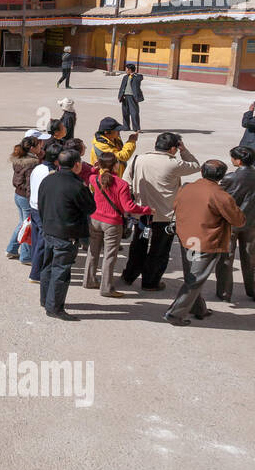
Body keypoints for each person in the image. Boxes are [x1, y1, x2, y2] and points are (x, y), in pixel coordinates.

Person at [165, 160, 245, 325]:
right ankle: (175, 314)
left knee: (191, 275)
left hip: (187, 237)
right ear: (222, 176)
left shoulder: (186, 188)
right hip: (206, 242)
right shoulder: (220, 195)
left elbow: (176, 206)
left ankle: (198, 308)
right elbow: (238, 220)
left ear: (202, 171)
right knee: (195, 279)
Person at [120, 131, 201, 292]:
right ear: (173, 148)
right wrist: (184, 150)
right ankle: (150, 282)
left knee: (138, 245)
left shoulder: (137, 159)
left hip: (142, 212)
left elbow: (125, 183)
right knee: (159, 249)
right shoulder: (174, 164)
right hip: (165, 215)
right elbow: (196, 166)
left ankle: (129, 276)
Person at [37, 149, 97, 320]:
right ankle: (54, 307)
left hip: (49, 229)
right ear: (76, 164)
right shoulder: (76, 186)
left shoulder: (48, 180)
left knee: (48, 267)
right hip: (66, 235)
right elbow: (90, 208)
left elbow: (41, 203)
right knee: (61, 272)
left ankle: (46, 300)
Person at [83, 150, 152, 297]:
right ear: (116, 165)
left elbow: (89, 174)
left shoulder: (94, 178)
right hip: (112, 223)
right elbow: (128, 207)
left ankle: (89, 279)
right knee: (109, 255)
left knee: (93, 251)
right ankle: (106, 287)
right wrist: (146, 209)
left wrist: (96, 168)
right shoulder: (121, 184)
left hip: (95, 219)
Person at [216, 145, 255, 303]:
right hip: (253, 222)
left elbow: (220, 198)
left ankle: (224, 292)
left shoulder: (229, 178)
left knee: (226, 259)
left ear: (238, 161)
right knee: (252, 259)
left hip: (231, 223)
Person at [26, 141, 61, 283]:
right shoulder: (50, 173)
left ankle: (35, 267)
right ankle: (35, 274)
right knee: (42, 242)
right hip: (42, 209)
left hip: (34, 206)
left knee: (36, 240)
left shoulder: (38, 168)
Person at [6, 136, 41, 263]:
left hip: (18, 195)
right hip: (26, 197)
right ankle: (26, 256)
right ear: (32, 148)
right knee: (28, 226)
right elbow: (29, 184)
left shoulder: (19, 159)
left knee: (23, 223)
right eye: (38, 145)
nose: (40, 146)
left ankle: (12, 249)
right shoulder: (32, 163)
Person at [118, 62, 145, 131]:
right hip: (124, 97)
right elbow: (122, 87)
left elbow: (141, 77)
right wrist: (120, 95)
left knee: (134, 113)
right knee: (125, 112)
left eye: (126, 69)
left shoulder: (137, 77)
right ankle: (126, 127)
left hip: (132, 97)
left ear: (130, 70)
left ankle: (136, 128)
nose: (125, 70)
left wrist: (133, 74)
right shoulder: (125, 77)